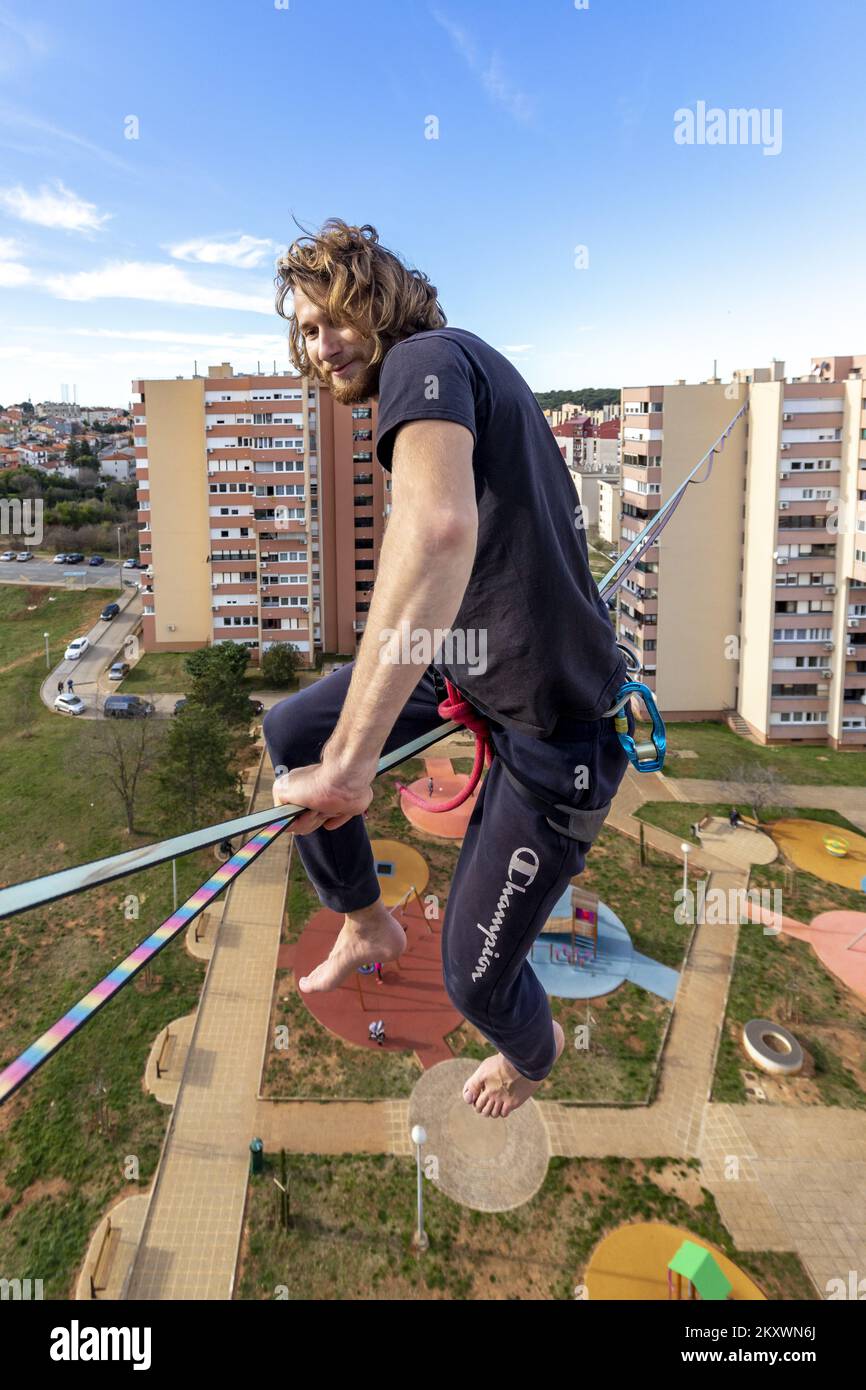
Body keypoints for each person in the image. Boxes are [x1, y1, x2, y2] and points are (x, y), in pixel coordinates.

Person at [264, 220, 631, 1121]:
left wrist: (356, 760)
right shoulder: (459, 371)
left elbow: (435, 533)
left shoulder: (426, 361)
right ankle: (366, 919)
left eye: (340, 315)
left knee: (475, 983)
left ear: (385, 303)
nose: (324, 345)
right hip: (476, 671)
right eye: (307, 331)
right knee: (291, 730)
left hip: (556, 733)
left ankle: (529, 1059)